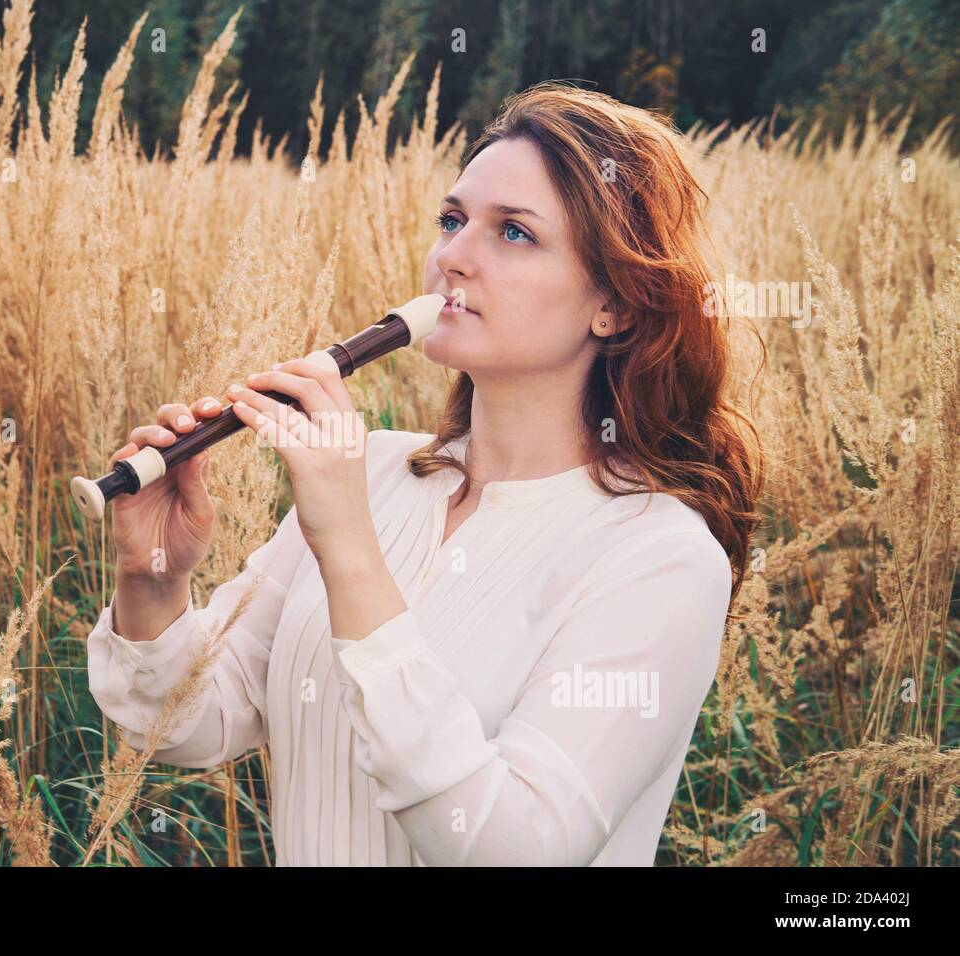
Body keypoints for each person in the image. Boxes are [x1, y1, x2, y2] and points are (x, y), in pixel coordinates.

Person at [86, 81, 763, 866]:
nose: (452, 258)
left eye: (513, 233)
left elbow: (515, 848)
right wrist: (154, 575)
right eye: (453, 220)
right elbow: (186, 725)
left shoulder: (658, 557)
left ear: (612, 305)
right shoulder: (372, 469)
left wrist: (346, 541)